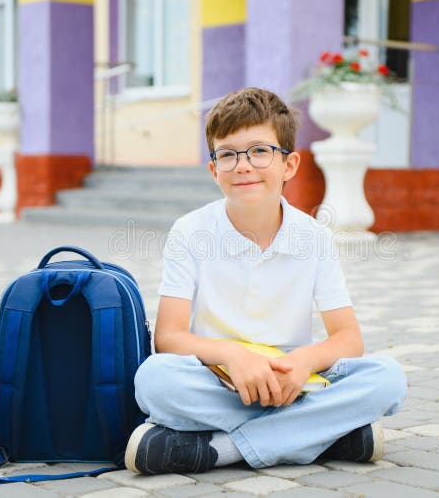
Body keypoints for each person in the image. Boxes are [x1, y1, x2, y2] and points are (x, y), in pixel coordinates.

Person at [125, 87, 406, 474]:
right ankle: (327, 435)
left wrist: (302, 361)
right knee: (154, 381)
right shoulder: (189, 231)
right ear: (214, 170)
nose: (243, 165)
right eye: (228, 154)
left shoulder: (314, 236)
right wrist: (232, 355)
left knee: (388, 379)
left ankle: (221, 449)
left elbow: (348, 339)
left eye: (259, 151)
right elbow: (169, 338)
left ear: (289, 164)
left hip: (296, 381)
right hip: (218, 377)